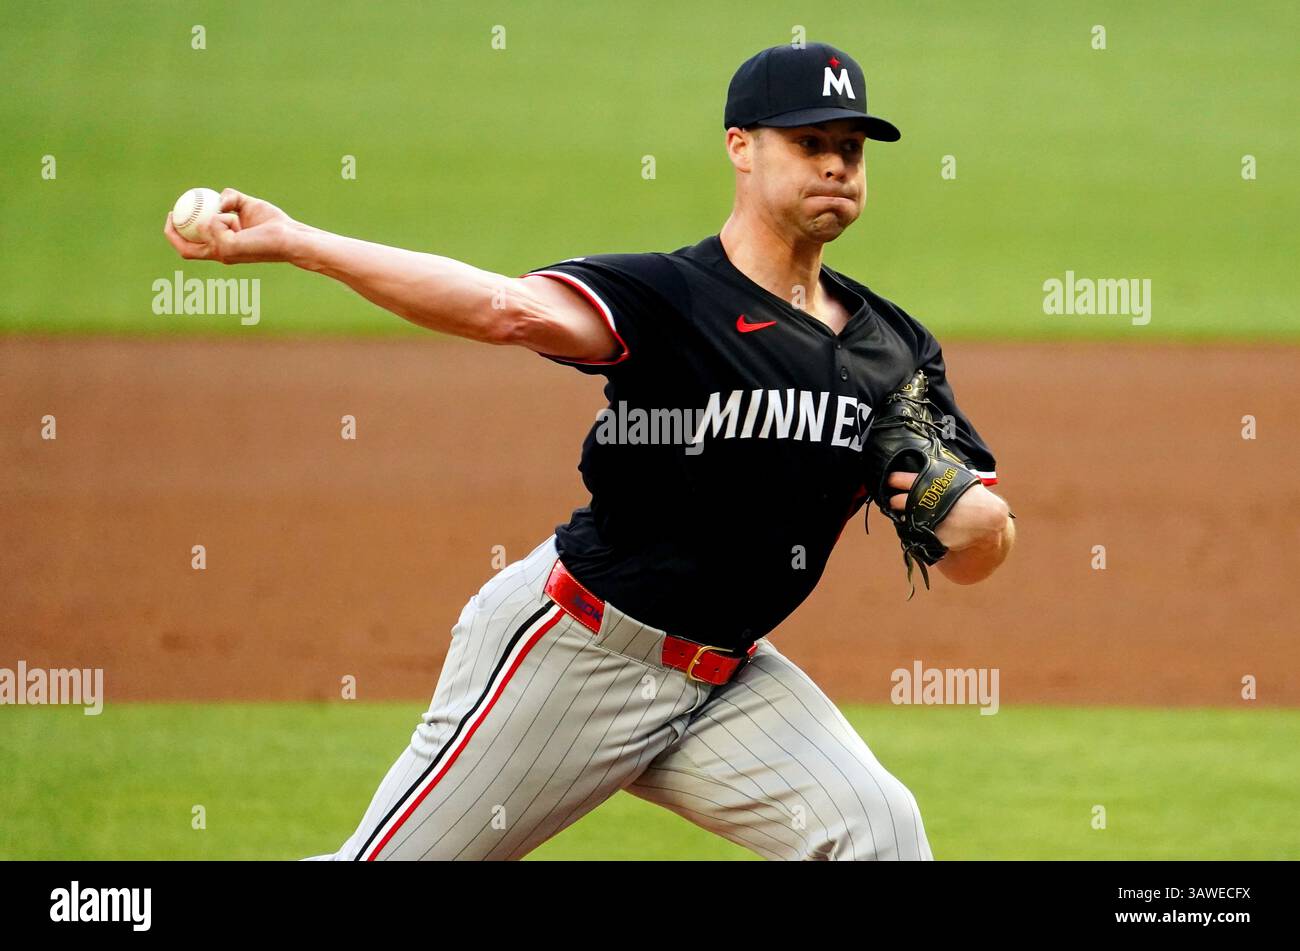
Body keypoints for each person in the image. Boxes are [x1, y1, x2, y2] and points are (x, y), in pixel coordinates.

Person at [164, 41, 1015, 861]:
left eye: (851, 147)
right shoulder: (673, 296)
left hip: (728, 680)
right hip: (580, 650)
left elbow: (975, 554)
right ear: (741, 149)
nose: (836, 164)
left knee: (880, 831)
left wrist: (951, 505)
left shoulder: (893, 348)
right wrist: (299, 242)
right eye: (809, 142)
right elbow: (504, 308)